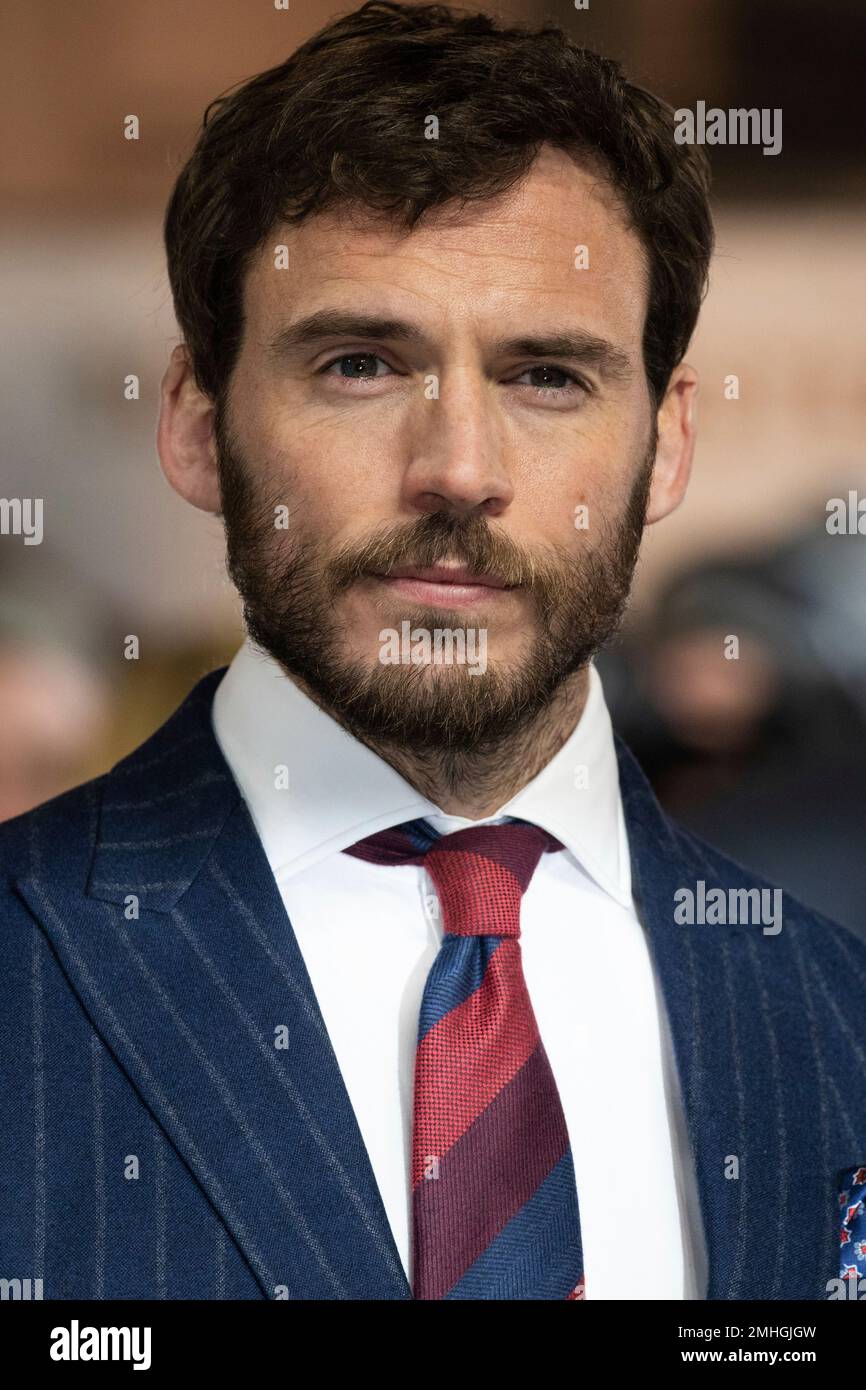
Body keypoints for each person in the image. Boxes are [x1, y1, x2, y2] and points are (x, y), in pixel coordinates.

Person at [2, 2, 864, 1302]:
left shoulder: (838, 1012)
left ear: (666, 443)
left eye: (547, 377)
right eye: (359, 362)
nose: (459, 470)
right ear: (190, 421)